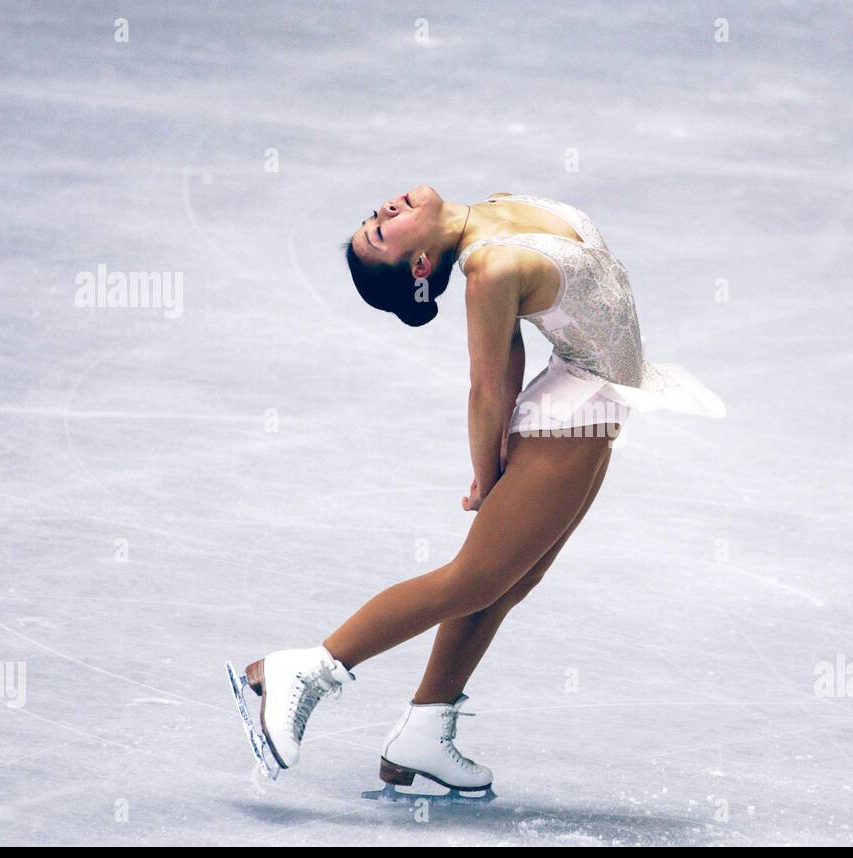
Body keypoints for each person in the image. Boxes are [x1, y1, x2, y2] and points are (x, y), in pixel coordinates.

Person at [227, 186, 724, 796]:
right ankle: (305, 670)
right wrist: (488, 479)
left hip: (597, 405)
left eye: (371, 217)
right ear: (418, 267)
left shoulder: (498, 204)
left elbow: (513, 353)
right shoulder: (486, 269)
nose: (381, 211)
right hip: (570, 414)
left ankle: (425, 729)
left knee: (514, 579)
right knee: (473, 579)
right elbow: (488, 387)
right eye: (379, 232)